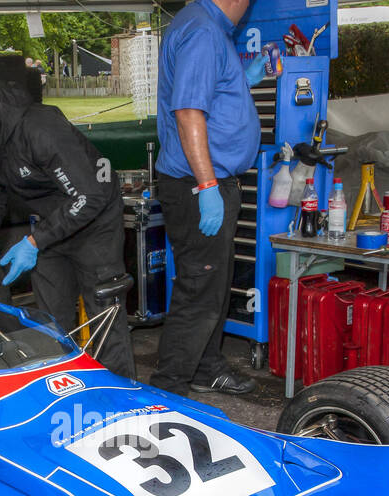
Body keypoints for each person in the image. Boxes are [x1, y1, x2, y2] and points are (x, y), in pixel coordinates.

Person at [0, 86, 135, 378]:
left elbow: (89, 196)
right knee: (48, 324)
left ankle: (120, 398)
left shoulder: (39, 129)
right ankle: (60, 392)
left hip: (94, 218)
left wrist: (35, 242)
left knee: (104, 315)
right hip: (47, 224)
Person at [150, 0, 266, 396]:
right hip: (199, 184)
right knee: (199, 290)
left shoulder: (204, 26)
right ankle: (168, 392)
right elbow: (187, 112)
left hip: (205, 181)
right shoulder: (202, 31)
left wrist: (245, 79)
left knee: (213, 285)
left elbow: (209, 96)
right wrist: (209, 186)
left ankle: (206, 368)